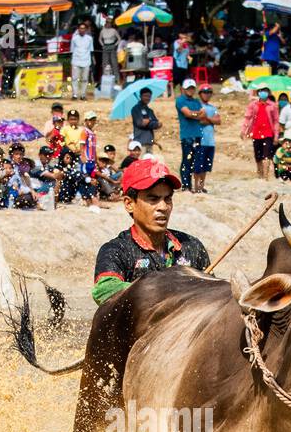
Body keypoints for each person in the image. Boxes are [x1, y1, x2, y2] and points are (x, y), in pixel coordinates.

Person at [91, 159, 210, 306]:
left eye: (167, 199)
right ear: (129, 204)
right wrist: (165, 289)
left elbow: (213, 296)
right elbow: (104, 290)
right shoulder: (117, 250)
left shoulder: (192, 246)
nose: (163, 207)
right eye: (153, 199)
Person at [241, 87, 279, 181]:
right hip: (256, 133)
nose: (263, 93)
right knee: (258, 155)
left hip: (268, 133)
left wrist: (276, 135)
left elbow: (276, 121)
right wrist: (243, 130)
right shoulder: (253, 105)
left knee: (266, 155)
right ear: (258, 93)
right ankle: (260, 174)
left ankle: (265, 176)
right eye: (262, 91)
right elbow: (247, 118)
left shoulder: (273, 105)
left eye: (265, 91)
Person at [175, 78, 205, 191]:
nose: (190, 90)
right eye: (188, 88)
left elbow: (203, 115)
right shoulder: (180, 100)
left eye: (192, 88)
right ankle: (186, 186)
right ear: (183, 89)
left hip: (197, 134)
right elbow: (187, 114)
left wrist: (193, 114)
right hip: (187, 135)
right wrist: (196, 114)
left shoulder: (196, 101)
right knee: (187, 160)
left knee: (195, 161)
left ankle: (192, 186)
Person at [193, 86, 219, 194]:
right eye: (205, 92)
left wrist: (207, 118)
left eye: (209, 92)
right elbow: (200, 121)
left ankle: (202, 186)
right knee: (198, 166)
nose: (207, 94)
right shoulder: (197, 106)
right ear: (200, 93)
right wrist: (211, 120)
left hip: (210, 141)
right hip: (200, 140)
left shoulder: (213, 107)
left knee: (205, 166)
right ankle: (196, 186)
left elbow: (218, 120)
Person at [70, 22, 94, 101]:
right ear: (78, 29)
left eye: (84, 28)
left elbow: (91, 50)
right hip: (76, 60)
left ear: (86, 30)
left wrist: (93, 60)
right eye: (81, 28)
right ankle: (75, 94)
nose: (82, 30)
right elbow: (72, 50)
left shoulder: (89, 39)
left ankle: (83, 95)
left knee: (84, 79)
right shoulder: (74, 38)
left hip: (86, 61)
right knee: (75, 78)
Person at [99, 20, 120, 86]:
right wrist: (102, 45)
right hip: (105, 46)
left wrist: (115, 45)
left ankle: (117, 79)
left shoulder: (114, 30)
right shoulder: (102, 31)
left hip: (112, 45)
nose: (108, 24)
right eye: (107, 23)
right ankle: (105, 78)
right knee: (105, 63)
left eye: (109, 23)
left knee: (114, 63)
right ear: (105, 23)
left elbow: (119, 38)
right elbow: (99, 39)